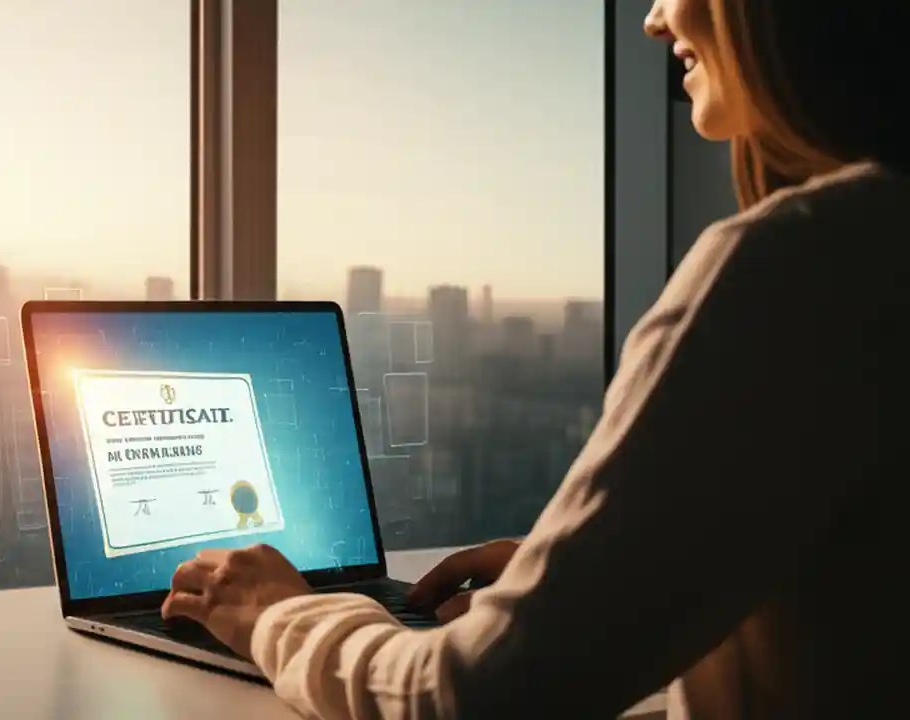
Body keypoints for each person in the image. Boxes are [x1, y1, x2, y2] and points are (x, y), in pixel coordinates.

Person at [163, 0, 907, 716]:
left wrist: (280, 616)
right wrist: (594, 583)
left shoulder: (797, 268)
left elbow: (461, 701)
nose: (650, 20)